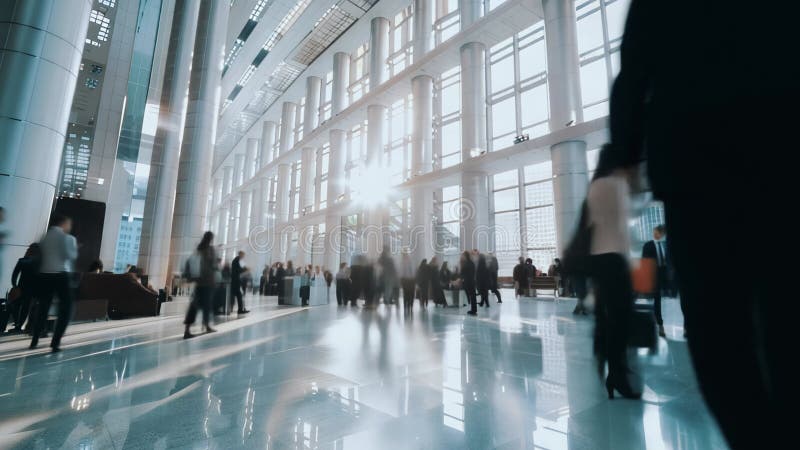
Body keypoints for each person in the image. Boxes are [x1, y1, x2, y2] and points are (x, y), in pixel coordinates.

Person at [606, 2, 800, 445]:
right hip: (783, 144)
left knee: (719, 329)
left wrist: (626, 152)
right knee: (786, 308)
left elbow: (636, 64)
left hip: (699, 163)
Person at [586, 146, 639, 399]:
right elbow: (624, 226)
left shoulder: (594, 187)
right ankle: (617, 374)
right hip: (616, 258)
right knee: (621, 319)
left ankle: (609, 362)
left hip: (598, 259)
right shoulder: (617, 185)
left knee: (609, 317)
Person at [29, 214, 78, 352]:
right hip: (60, 275)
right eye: (69, 224)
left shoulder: (45, 237)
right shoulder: (66, 238)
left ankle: (35, 339)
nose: (69, 227)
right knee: (67, 308)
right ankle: (55, 342)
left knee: (43, 308)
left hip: (44, 276)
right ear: (63, 223)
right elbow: (70, 256)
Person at [183, 231, 218, 338]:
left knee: (194, 305)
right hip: (208, 282)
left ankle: (187, 329)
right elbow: (214, 265)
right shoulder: (210, 250)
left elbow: (193, 263)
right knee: (207, 305)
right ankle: (206, 325)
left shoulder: (199, 248)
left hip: (199, 282)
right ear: (211, 239)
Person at [641, 225, 669, 337]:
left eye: (660, 233)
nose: (657, 234)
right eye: (656, 231)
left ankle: (658, 324)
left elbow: (666, 262)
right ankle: (659, 325)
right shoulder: (648, 245)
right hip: (653, 277)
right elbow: (644, 263)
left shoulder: (664, 245)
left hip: (662, 277)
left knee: (658, 301)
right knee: (656, 302)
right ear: (653, 232)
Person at [10, 243, 40, 333]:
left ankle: (18, 325)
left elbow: (15, 274)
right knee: (25, 308)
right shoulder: (38, 262)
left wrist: (14, 285)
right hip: (31, 289)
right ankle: (19, 325)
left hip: (21, 287)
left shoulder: (23, 260)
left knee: (16, 305)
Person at [460, 251, 477, 316]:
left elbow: (463, 273)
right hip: (472, 281)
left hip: (469, 282)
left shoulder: (467, 264)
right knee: (473, 296)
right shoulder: (471, 263)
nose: (462, 257)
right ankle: (474, 309)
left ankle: (473, 310)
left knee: (472, 296)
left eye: (463, 255)